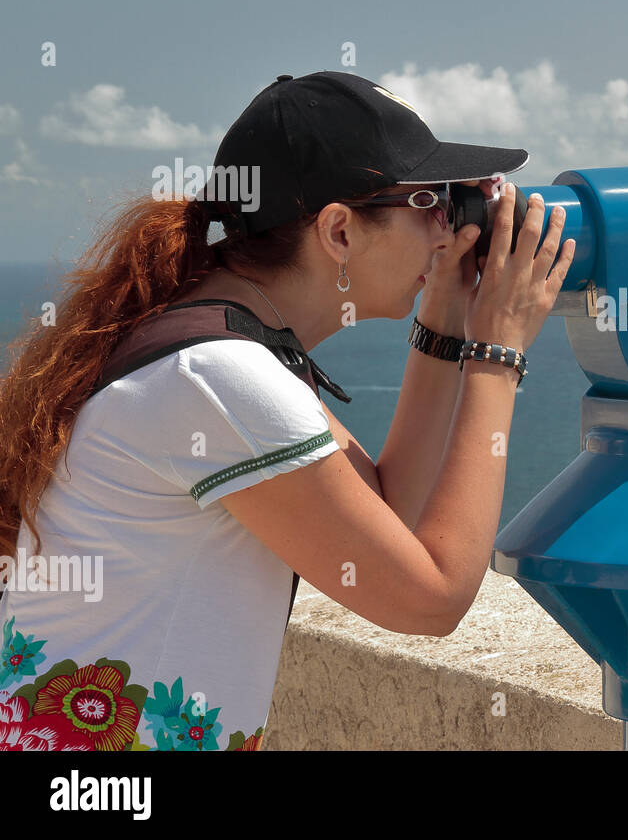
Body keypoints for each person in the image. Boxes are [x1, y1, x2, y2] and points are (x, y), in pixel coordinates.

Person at [0, 71, 574, 750]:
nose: (444, 231)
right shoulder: (221, 378)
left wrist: (450, 310)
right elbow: (433, 597)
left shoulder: (218, 350)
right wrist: (495, 351)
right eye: (427, 202)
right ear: (338, 230)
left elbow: (392, 512)